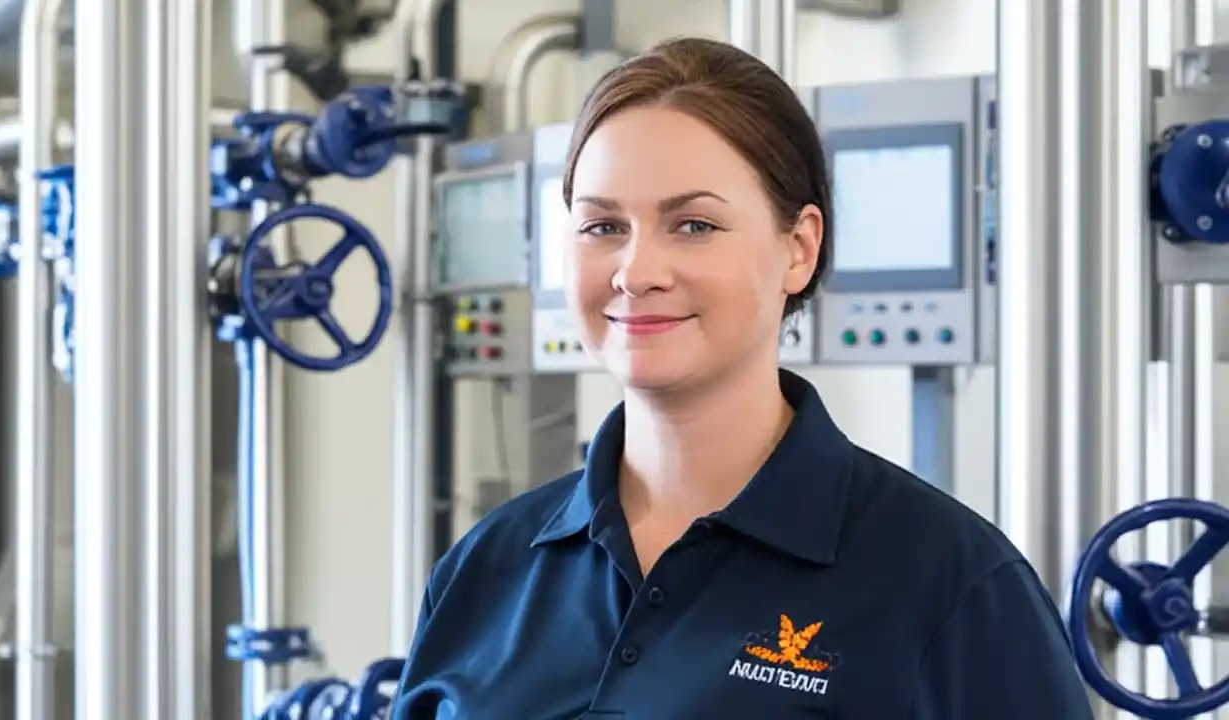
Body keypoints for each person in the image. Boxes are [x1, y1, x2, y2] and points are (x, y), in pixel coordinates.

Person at [392, 37, 1094, 719]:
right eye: (603, 226)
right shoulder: (485, 568)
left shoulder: (952, 585)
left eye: (694, 225)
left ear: (799, 248)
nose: (637, 272)